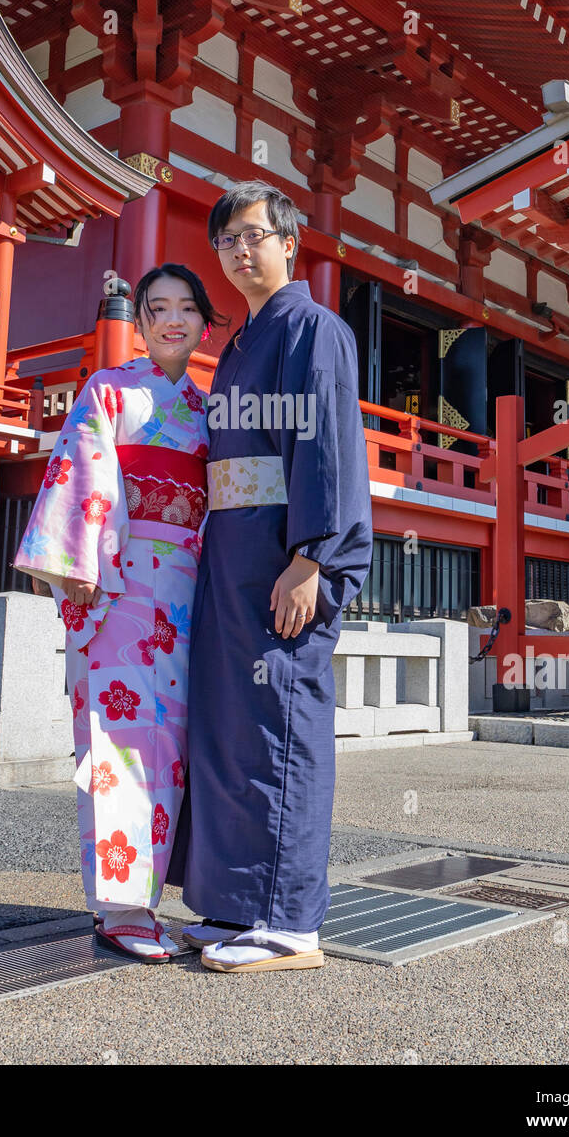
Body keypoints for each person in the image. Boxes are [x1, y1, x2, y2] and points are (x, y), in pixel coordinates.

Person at [173, 181, 373, 973]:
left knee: (279, 722)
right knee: (228, 726)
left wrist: (311, 556)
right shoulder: (240, 343)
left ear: (289, 242)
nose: (238, 251)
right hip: (232, 552)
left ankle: (289, 922)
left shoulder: (311, 330)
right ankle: (233, 901)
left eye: (253, 235)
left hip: (282, 556)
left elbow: (325, 447)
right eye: (225, 241)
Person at [14, 264, 222, 962]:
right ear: (137, 321)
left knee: (176, 748)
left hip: (191, 594)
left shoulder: (206, 409)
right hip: (121, 586)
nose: (171, 320)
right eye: (156, 308)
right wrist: (80, 570)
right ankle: (120, 905)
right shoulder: (109, 391)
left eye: (186, 308)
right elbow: (82, 474)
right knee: (119, 741)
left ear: (204, 321)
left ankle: (160, 895)